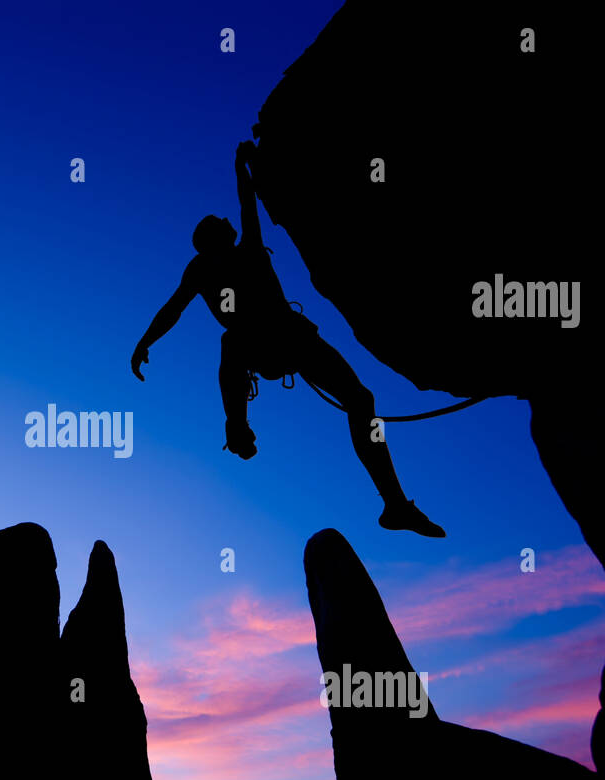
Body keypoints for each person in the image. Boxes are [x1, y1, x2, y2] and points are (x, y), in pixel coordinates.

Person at [131, 141, 444, 538]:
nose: (228, 221)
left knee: (359, 400)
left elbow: (173, 307)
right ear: (214, 237)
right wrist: (238, 165)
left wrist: (145, 342)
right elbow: (244, 207)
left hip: (287, 342)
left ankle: (394, 504)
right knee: (238, 343)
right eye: (219, 222)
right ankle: (238, 425)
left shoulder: (215, 264)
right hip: (281, 342)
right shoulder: (228, 257)